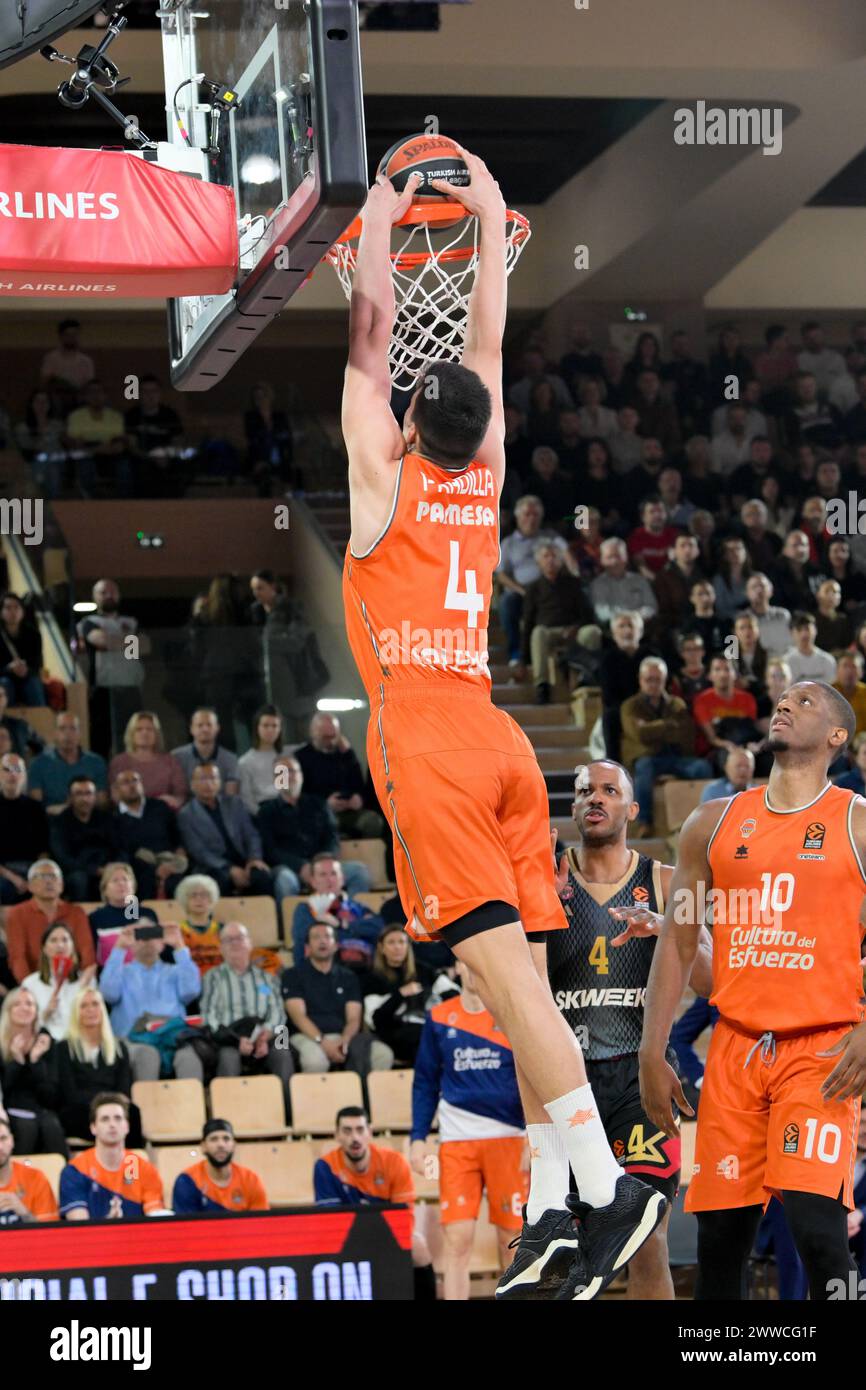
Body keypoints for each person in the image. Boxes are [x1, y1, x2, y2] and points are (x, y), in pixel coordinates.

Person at [339, 150, 666, 1304]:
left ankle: (603, 1186)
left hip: (425, 742)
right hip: (501, 742)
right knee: (515, 992)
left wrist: (378, 215)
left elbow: (374, 336)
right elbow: (476, 344)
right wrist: (480, 211)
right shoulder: (479, 472)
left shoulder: (384, 482)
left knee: (517, 1000)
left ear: (406, 424)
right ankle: (543, 1213)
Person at [641, 678, 866, 1301]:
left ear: (837, 736)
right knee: (720, 1245)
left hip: (819, 1054)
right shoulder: (711, 822)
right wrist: (651, 1048)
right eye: (785, 697)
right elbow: (679, 940)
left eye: (808, 700)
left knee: (818, 1232)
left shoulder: (856, 823)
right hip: (736, 1050)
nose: (787, 703)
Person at [536, 761, 712, 1300]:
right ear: (572, 809)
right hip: (568, 1084)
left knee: (647, 1236)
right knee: (566, 1245)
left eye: (610, 791)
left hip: (643, 1078)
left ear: (632, 809)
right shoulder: (547, 879)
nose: (596, 798)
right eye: (585, 790)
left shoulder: (662, 882)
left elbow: (712, 982)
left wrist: (667, 931)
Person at [411, 958, 530, 1300]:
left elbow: (531, 1077)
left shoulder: (510, 1014)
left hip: (509, 1139)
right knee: (457, 1242)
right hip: (457, 1142)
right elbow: (425, 1083)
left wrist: (533, 1135)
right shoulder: (438, 1018)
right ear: (457, 968)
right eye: (467, 963)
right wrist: (418, 1139)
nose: (475, 969)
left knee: (512, 1243)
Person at [314, 1104, 436, 1299]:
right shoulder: (325, 1167)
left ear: (369, 1133)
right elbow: (331, 1223)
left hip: (386, 1237)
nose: (355, 1138)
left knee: (418, 1245)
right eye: (347, 1131)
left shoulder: (394, 1163)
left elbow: (406, 1220)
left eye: (360, 1130)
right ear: (337, 1135)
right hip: (344, 1240)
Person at [177, 922, 292, 1108]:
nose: (235, 943)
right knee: (228, 1056)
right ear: (221, 948)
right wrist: (236, 1040)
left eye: (240, 938)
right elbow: (209, 1016)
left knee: (283, 1052)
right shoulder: (212, 977)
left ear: (250, 943)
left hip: (265, 1035)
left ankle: (287, 1115)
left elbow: (278, 1014)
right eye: (229, 940)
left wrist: (265, 1036)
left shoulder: (267, 979)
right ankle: (228, 1115)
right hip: (228, 1037)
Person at [282, 922, 393, 1077]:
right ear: (307, 948)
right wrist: (323, 1042)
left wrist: (345, 1041)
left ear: (335, 945)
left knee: (382, 1055)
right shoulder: (293, 975)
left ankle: (367, 1100)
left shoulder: (348, 977)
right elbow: (298, 1017)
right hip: (305, 1036)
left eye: (327, 937)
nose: (322, 941)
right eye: (316, 937)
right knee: (315, 1061)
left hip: (343, 1036)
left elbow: (354, 1018)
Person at [259, 755, 371, 904]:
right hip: (291, 869)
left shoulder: (319, 804)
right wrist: (301, 867)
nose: (289, 776)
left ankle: (350, 920)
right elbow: (270, 849)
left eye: (293, 771)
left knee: (359, 871)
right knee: (284, 880)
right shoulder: (266, 811)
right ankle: (294, 925)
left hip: (324, 865)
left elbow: (332, 837)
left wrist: (322, 863)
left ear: (301, 776)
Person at [620, 656, 712, 832]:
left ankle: (703, 819)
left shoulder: (676, 704)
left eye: (658, 680)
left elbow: (686, 733)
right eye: (649, 680)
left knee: (702, 767)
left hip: (675, 756)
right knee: (644, 767)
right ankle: (644, 822)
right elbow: (639, 734)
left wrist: (651, 729)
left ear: (664, 680)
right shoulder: (630, 706)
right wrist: (668, 725)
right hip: (647, 757)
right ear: (640, 680)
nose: (654, 684)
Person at [99, 921, 200, 1079]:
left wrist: (179, 946)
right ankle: (146, 1104)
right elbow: (109, 994)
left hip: (171, 1039)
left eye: (153, 935)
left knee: (189, 1058)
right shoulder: (121, 972)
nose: (146, 941)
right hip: (130, 1040)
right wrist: (120, 947)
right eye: (140, 935)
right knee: (148, 1055)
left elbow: (191, 991)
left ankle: (193, 1104)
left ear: (162, 942)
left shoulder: (174, 972)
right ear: (132, 943)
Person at [55, 988, 144, 1147]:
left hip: (112, 1108)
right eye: (84, 1006)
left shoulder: (118, 1048)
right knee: (101, 1120)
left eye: (95, 1004)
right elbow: (69, 1093)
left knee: (133, 1113)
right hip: (80, 1112)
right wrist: (102, 1103)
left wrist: (108, 1106)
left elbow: (123, 1091)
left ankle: (132, 1169)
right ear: (76, 1012)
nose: (90, 1010)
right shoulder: (64, 1048)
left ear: (102, 1009)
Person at [59, 1093, 165, 1220]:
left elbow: (155, 1218)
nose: (112, 1124)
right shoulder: (76, 1170)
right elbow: (79, 1227)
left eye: (118, 1118)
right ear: (93, 1128)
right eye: (105, 1119)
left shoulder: (142, 1168)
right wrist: (110, 1225)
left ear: (127, 1126)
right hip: (93, 1238)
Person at [496, 495, 573, 666]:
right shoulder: (508, 543)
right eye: (527, 514)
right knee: (506, 602)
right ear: (518, 517)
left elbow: (565, 551)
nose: (531, 518)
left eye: (535, 514)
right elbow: (501, 575)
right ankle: (516, 652)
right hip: (521, 592)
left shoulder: (550, 536)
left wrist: (572, 568)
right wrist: (523, 591)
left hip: (549, 589)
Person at [178, 762, 272, 897]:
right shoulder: (186, 814)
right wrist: (229, 869)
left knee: (261, 876)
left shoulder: (234, 803)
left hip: (244, 860)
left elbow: (251, 835)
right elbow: (199, 851)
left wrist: (254, 858)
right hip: (212, 866)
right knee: (219, 881)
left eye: (213, 778)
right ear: (192, 784)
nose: (209, 784)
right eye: (203, 779)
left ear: (220, 782)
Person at [75, 580, 146, 759]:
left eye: (112, 591)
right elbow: (99, 639)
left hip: (130, 688)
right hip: (102, 689)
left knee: (132, 739)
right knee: (101, 740)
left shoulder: (131, 621)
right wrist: (129, 642)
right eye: (103, 592)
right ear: (95, 597)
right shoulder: (88, 622)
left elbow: (145, 646)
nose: (108, 595)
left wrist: (113, 643)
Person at [520, 541, 598, 704]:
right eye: (546, 556)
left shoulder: (574, 583)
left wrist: (576, 627)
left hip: (574, 629)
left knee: (592, 631)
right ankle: (542, 685)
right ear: (539, 562)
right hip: (548, 632)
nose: (550, 560)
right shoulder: (533, 587)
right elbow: (528, 621)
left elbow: (588, 614)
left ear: (561, 560)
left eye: (554, 556)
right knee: (537, 633)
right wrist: (523, 660)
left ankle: (588, 676)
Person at [294, 714, 386, 840]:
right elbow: (296, 795)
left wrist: (359, 799)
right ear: (313, 733)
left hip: (349, 811)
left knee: (373, 822)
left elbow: (361, 786)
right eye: (326, 737)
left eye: (334, 736)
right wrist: (325, 803)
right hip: (317, 812)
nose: (331, 741)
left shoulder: (346, 755)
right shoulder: (300, 758)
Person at [0, 986, 66, 1155]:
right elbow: (4, 1090)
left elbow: (52, 1095)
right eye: (17, 1004)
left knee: (51, 1126)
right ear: (8, 1011)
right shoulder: (1, 1042)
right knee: (26, 1128)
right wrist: (17, 1061)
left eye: (29, 1004)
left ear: (36, 1011)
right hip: (10, 1110)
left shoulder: (46, 1041)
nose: (24, 1008)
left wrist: (36, 1061)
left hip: (42, 1109)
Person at [6, 859, 95, 982]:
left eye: (53, 876)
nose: (48, 881)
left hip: (73, 981)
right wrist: (30, 988)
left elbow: (87, 952)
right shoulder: (17, 914)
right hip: (33, 983)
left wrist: (85, 985)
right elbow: (17, 957)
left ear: (62, 885)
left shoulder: (76, 913)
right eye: (41, 876)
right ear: (30, 886)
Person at [290, 854, 383, 969]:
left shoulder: (358, 907)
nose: (329, 879)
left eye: (334, 873)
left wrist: (342, 924)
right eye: (323, 874)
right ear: (313, 882)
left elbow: (379, 929)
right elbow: (307, 941)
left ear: (342, 879)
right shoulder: (305, 909)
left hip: (364, 970)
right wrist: (356, 931)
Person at [110, 767, 188, 901]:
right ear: (116, 790)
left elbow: (178, 837)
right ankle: (135, 917)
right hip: (137, 868)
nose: (131, 786)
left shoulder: (160, 807)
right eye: (125, 783)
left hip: (169, 861)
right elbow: (120, 850)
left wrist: (177, 857)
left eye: (135, 781)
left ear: (142, 784)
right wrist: (153, 869)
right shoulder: (113, 818)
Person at [361, 926, 436, 1064]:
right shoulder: (371, 979)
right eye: (391, 942)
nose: (397, 947)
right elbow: (377, 1020)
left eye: (402, 942)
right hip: (391, 1034)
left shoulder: (424, 971)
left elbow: (449, 992)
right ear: (381, 947)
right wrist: (400, 994)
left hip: (423, 1029)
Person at [172, 1117, 269, 1214]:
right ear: (203, 1146)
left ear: (234, 1145)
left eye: (226, 1139)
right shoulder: (187, 1181)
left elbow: (261, 1224)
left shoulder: (251, 1180)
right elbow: (186, 1227)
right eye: (214, 1139)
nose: (221, 1144)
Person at [21, 922, 96, 1041]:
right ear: (44, 948)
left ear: (72, 946)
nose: (60, 945)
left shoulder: (86, 980)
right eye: (53, 940)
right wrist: (46, 1012)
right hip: (46, 1043)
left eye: (65, 940)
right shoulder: (30, 983)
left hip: (78, 1041)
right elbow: (24, 1025)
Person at [48, 776, 116, 903]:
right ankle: (81, 917)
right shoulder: (60, 822)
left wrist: (114, 867)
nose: (85, 799)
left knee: (126, 875)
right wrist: (95, 870)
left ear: (95, 796)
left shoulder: (107, 819)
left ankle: (131, 914)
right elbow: (62, 857)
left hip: (106, 867)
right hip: (76, 870)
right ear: (70, 798)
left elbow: (119, 847)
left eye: (88, 793)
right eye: (79, 794)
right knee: (79, 879)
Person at [28, 711, 108, 814]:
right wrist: (66, 809)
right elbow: (35, 806)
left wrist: (80, 804)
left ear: (80, 734)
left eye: (73, 729)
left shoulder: (96, 762)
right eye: (62, 728)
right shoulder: (38, 764)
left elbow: (102, 802)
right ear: (55, 733)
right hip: (52, 823)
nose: (67, 734)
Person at [108, 711, 187, 810]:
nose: (144, 733)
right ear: (131, 734)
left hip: (163, 813)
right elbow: (115, 795)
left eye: (149, 729)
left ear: (157, 734)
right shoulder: (119, 762)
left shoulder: (170, 761)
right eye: (139, 729)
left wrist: (172, 801)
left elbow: (180, 795)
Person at [692, 655, 761, 764]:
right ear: (710, 675)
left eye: (727, 669)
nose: (723, 674)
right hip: (718, 747)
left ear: (734, 674)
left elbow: (751, 730)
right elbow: (712, 738)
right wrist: (728, 745)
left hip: (746, 745)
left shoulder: (748, 699)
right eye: (717, 669)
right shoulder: (702, 700)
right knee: (727, 758)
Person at [88, 862, 160, 967]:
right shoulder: (95, 918)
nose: (121, 883)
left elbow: (158, 951)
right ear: (105, 889)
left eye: (125, 879)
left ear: (133, 886)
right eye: (115, 880)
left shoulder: (148, 914)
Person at [0, 752, 48, 904]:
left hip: (32, 868)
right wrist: (14, 879)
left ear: (24, 775)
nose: (12, 774)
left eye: (17, 769)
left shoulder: (36, 808)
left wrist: (36, 876)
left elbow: (44, 850)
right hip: (4, 871)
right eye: (6, 769)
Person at [0, 1113, 58, 1224]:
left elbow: (50, 1235)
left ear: (12, 1140)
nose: (0, 1147)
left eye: (3, 1138)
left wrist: (25, 1214)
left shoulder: (36, 1178)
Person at [588, 537, 658, 629]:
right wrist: (626, 621)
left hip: (642, 627)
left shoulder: (640, 580)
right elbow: (602, 613)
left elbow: (651, 606)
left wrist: (634, 620)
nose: (614, 561)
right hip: (611, 630)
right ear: (602, 561)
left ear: (626, 558)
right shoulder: (597, 584)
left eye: (618, 556)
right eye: (609, 557)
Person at [237, 704, 294, 815]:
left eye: (274, 726)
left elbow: (285, 789)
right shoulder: (245, 762)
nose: (270, 730)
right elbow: (247, 799)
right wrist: (263, 817)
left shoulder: (286, 755)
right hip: (263, 812)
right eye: (265, 725)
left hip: (288, 810)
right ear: (257, 727)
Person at [171, 707, 241, 796]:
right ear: (191, 729)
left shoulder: (230, 759)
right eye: (200, 725)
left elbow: (231, 797)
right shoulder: (176, 757)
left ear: (217, 728)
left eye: (209, 725)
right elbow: (177, 794)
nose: (205, 729)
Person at [244, 382, 293, 496]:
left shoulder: (279, 416)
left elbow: (286, 436)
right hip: (260, 457)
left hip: (280, 455)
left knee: (290, 472)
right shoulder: (251, 417)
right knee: (263, 475)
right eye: (257, 397)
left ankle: (289, 501)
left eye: (263, 396)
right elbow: (252, 439)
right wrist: (258, 461)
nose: (260, 400)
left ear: (270, 397)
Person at [0, 592, 45, 706]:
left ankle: (41, 720)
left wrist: (25, 668)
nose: (13, 612)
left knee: (33, 684)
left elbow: (38, 663)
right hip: (4, 676)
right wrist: (9, 668)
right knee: (5, 684)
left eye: (16, 607)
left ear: (22, 610)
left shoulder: (33, 634)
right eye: (8, 608)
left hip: (27, 676)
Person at [174, 874, 224, 975]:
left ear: (211, 899)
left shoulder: (223, 930)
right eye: (193, 895)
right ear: (185, 900)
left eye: (204, 895)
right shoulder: (177, 931)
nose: (199, 899)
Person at [743, 573, 792, 658]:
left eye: (762, 586)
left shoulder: (783, 615)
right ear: (746, 593)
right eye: (754, 587)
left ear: (771, 591)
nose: (759, 590)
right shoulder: (741, 619)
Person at [783, 611, 837, 685]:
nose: (804, 634)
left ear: (815, 630)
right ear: (792, 633)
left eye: (807, 629)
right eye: (799, 630)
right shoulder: (786, 662)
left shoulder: (827, 660)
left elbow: (831, 690)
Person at [834, 652, 866, 737]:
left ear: (861, 672)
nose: (849, 671)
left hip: (860, 740)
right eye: (845, 666)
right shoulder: (827, 692)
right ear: (836, 670)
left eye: (854, 667)